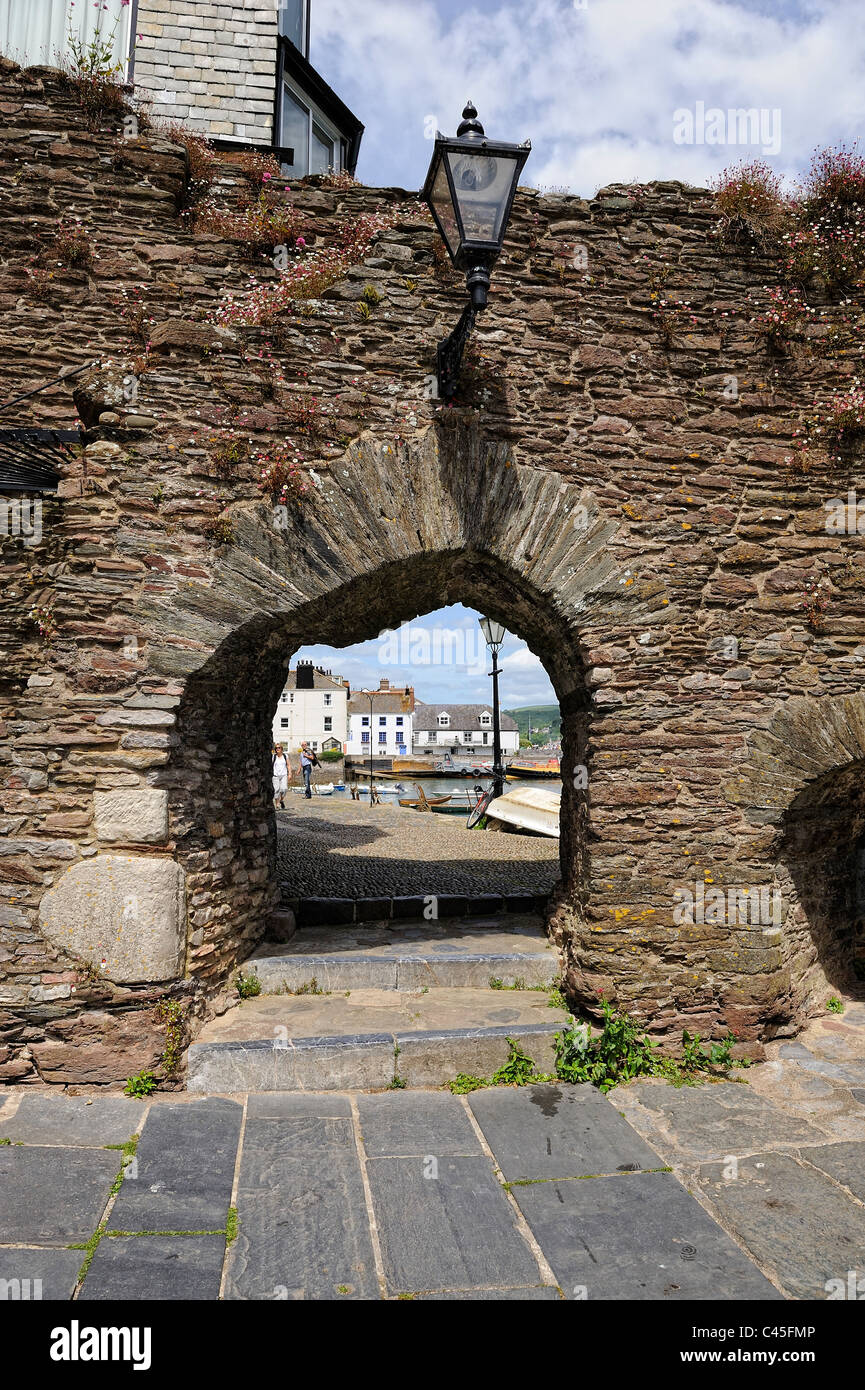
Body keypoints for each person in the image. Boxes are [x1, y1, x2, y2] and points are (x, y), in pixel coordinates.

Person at [272, 743, 290, 809]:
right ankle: (277, 804)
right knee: (276, 790)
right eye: (276, 748)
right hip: (275, 775)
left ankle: (281, 800)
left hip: (284, 775)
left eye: (279, 748)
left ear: (282, 749)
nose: (277, 749)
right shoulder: (273, 757)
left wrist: (290, 773)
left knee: (284, 789)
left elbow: (288, 765)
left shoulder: (285, 756)